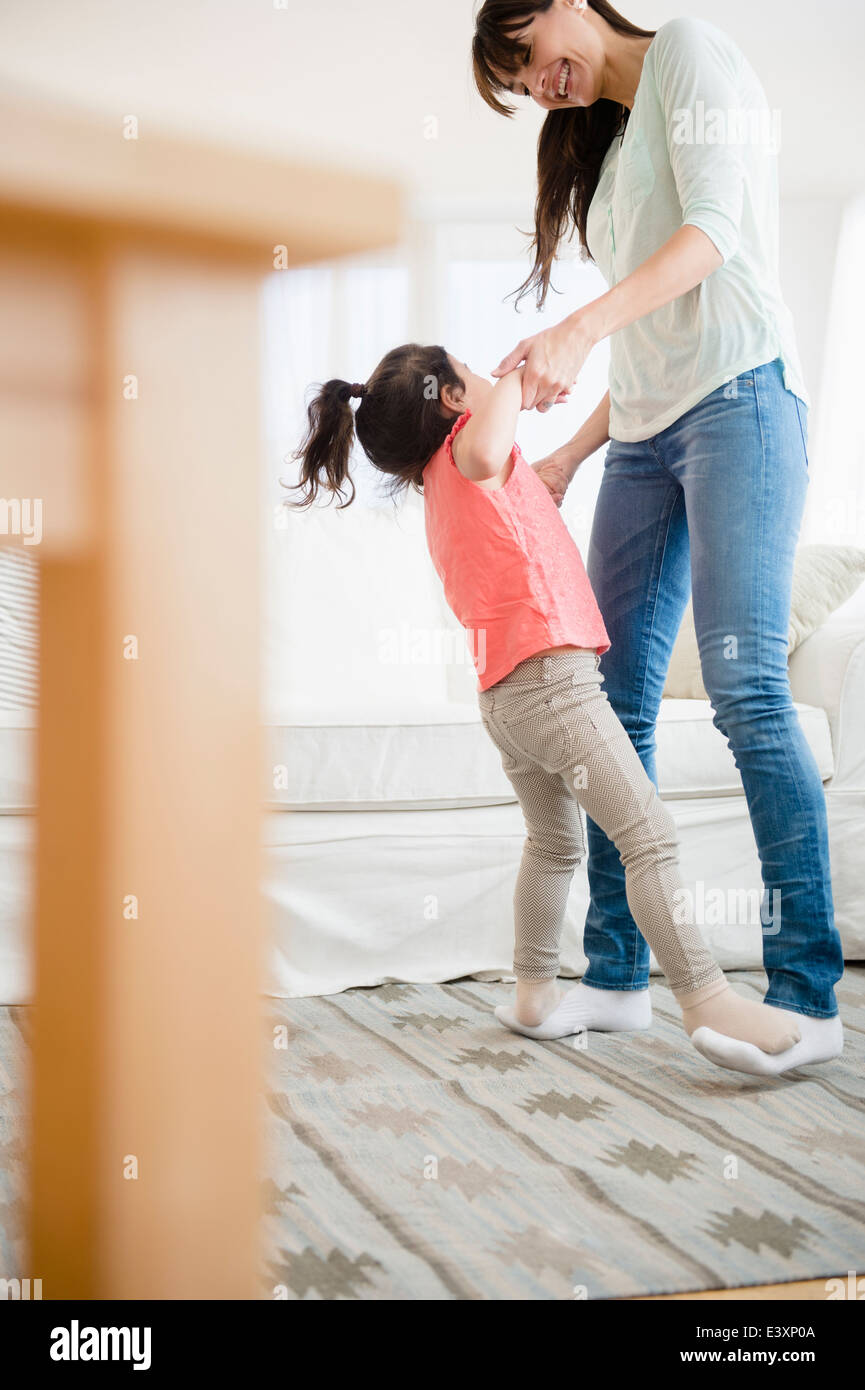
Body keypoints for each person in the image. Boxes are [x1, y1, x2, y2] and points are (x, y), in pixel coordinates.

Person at [471, 1, 845, 1074]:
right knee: (605, 708)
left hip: (741, 408)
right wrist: (575, 450)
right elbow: (647, 342)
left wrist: (575, 327)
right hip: (641, 438)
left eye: (524, 59)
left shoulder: (687, 51)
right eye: (519, 87)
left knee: (745, 692)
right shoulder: (614, 140)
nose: (537, 87)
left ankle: (806, 996)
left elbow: (713, 235)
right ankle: (620, 978)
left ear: (558, 8)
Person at [289, 343, 806, 1075]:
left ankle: (533, 990)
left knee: (554, 845)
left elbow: (500, 453)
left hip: (507, 698)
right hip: (553, 688)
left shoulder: (448, 480)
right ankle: (706, 998)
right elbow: (492, 430)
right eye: (466, 370)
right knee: (648, 837)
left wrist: (526, 410)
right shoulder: (472, 454)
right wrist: (522, 375)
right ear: (449, 399)